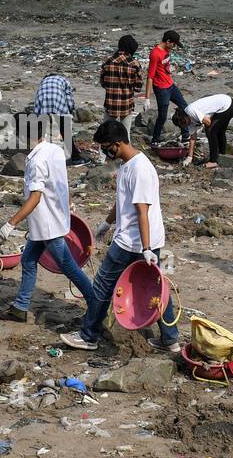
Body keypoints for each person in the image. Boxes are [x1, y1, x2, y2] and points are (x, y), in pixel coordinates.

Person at [61, 120, 179, 354]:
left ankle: (88, 335)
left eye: (106, 147)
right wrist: (106, 223)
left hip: (133, 241)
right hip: (142, 238)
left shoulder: (140, 170)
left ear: (117, 143)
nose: (106, 152)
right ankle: (170, 339)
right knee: (156, 287)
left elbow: (142, 210)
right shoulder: (127, 165)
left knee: (102, 286)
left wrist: (145, 248)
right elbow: (123, 202)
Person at [0, 119, 94, 323]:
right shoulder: (54, 150)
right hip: (52, 218)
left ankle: (96, 304)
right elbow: (63, 182)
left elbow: (35, 197)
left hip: (47, 224)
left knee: (69, 267)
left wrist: (10, 224)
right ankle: (20, 307)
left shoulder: (36, 161)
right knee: (28, 260)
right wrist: (69, 204)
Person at [148, 31, 190, 146]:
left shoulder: (166, 50)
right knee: (162, 116)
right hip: (161, 89)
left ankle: (186, 135)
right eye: (173, 44)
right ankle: (155, 140)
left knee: (185, 107)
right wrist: (147, 97)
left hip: (171, 85)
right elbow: (150, 76)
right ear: (168, 41)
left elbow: (165, 66)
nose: (174, 46)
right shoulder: (155, 54)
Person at [100, 34, 145, 136]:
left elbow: (103, 83)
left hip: (110, 104)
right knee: (125, 134)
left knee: (107, 134)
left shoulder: (108, 62)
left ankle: (106, 151)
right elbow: (138, 87)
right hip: (126, 105)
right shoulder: (134, 64)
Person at [179, 93, 233, 168]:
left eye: (184, 122)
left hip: (227, 106)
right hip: (227, 103)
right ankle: (222, 154)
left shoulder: (190, 111)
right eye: (184, 125)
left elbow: (208, 122)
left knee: (211, 131)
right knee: (220, 131)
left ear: (184, 116)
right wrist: (189, 157)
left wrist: (201, 124)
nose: (186, 124)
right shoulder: (187, 121)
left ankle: (213, 161)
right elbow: (193, 138)